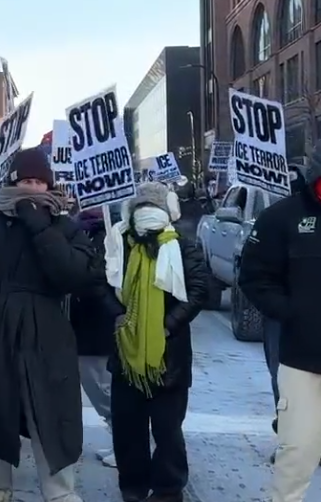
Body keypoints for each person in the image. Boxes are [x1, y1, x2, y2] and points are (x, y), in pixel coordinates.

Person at [0, 148, 101, 502]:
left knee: (51, 410)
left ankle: (59, 492)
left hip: (48, 332)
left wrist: (41, 228)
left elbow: (74, 275)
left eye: (39, 182)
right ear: (11, 182)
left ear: (50, 186)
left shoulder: (64, 227)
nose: (32, 189)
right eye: (25, 181)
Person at [239, 136, 321, 501]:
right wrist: (290, 314)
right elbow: (255, 277)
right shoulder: (282, 218)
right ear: (316, 176)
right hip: (304, 361)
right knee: (296, 454)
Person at [102, 182, 211, 502]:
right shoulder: (118, 244)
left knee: (167, 431)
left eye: (155, 207)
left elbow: (198, 291)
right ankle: (133, 488)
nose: (147, 214)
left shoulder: (182, 245)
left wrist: (167, 325)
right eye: (142, 207)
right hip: (127, 353)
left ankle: (167, 490)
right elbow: (102, 284)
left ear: (169, 212)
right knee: (127, 430)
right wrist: (118, 316)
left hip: (170, 356)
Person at [260, 162, 321, 467]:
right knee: (287, 380)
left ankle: (317, 441)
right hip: (285, 316)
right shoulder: (275, 220)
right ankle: (290, 442)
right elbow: (259, 273)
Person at [70, 206, 117, 469]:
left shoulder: (111, 235)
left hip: (97, 323)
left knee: (101, 387)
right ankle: (120, 440)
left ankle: (124, 443)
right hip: (82, 322)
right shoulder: (78, 229)